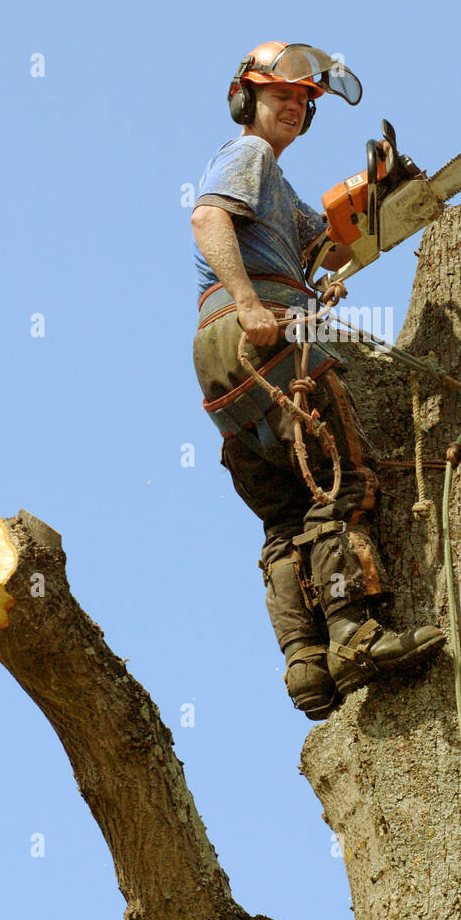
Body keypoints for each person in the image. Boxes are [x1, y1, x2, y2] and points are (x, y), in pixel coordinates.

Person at [190, 42, 444, 720]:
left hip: (220, 358)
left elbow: (332, 245)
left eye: (305, 103)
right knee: (343, 481)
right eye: (283, 97)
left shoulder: (284, 196)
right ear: (248, 98)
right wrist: (250, 303)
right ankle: (355, 633)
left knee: (285, 516)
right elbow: (208, 216)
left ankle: (306, 661)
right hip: (263, 328)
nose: (296, 109)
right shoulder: (247, 157)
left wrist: (378, 197)